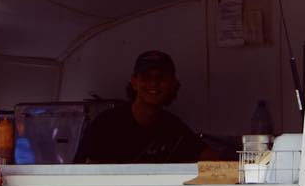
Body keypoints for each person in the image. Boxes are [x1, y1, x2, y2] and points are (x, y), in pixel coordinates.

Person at [78, 50, 212, 164]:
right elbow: (86, 176)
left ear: (173, 84)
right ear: (134, 82)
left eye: (161, 77)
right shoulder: (106, 124)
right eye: (146, 77)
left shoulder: (174, 127)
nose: (153, 83)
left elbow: (211, 160)